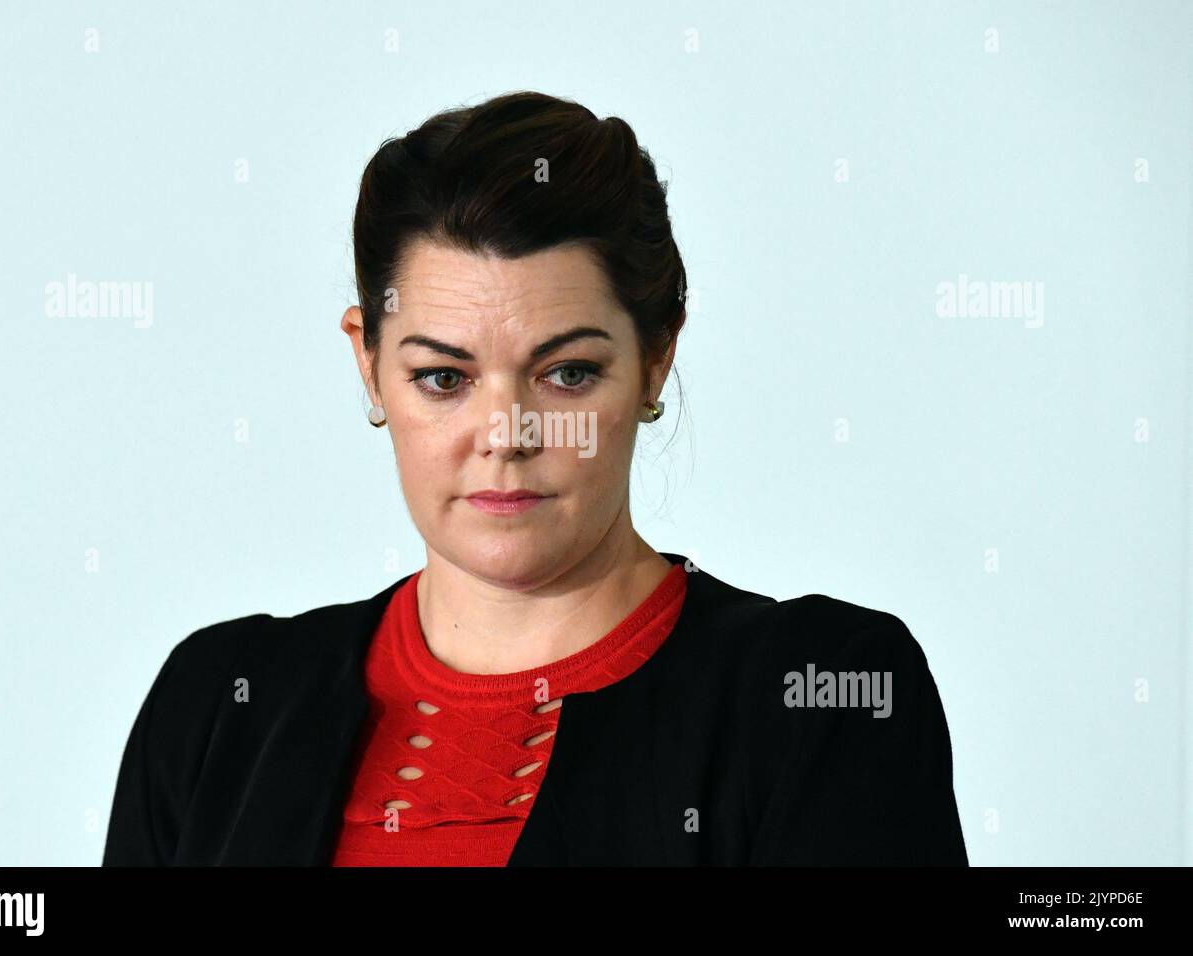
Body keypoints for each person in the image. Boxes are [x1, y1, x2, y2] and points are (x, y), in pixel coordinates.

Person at [103, 90, 968, 866]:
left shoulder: (821, 699)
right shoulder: (218, 704)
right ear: (368, 366)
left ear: (657, 356)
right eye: (443, 378)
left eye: (568, 374)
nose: (506, 436)